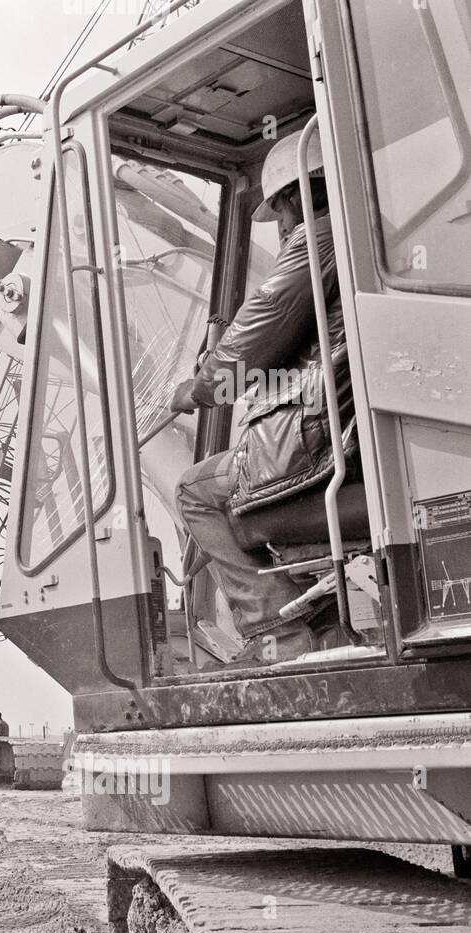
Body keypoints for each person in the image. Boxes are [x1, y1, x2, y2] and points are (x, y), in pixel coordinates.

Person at [170, 127, 352, 667]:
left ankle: (275, 631)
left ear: (295, 193)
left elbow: (254, 338)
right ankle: (318, 620)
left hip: (317, 438)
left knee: (194, 490)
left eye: (280, 212)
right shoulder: (361, 232)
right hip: (336, 427)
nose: (285, 227)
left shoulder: (317, 238)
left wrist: (197, 389)